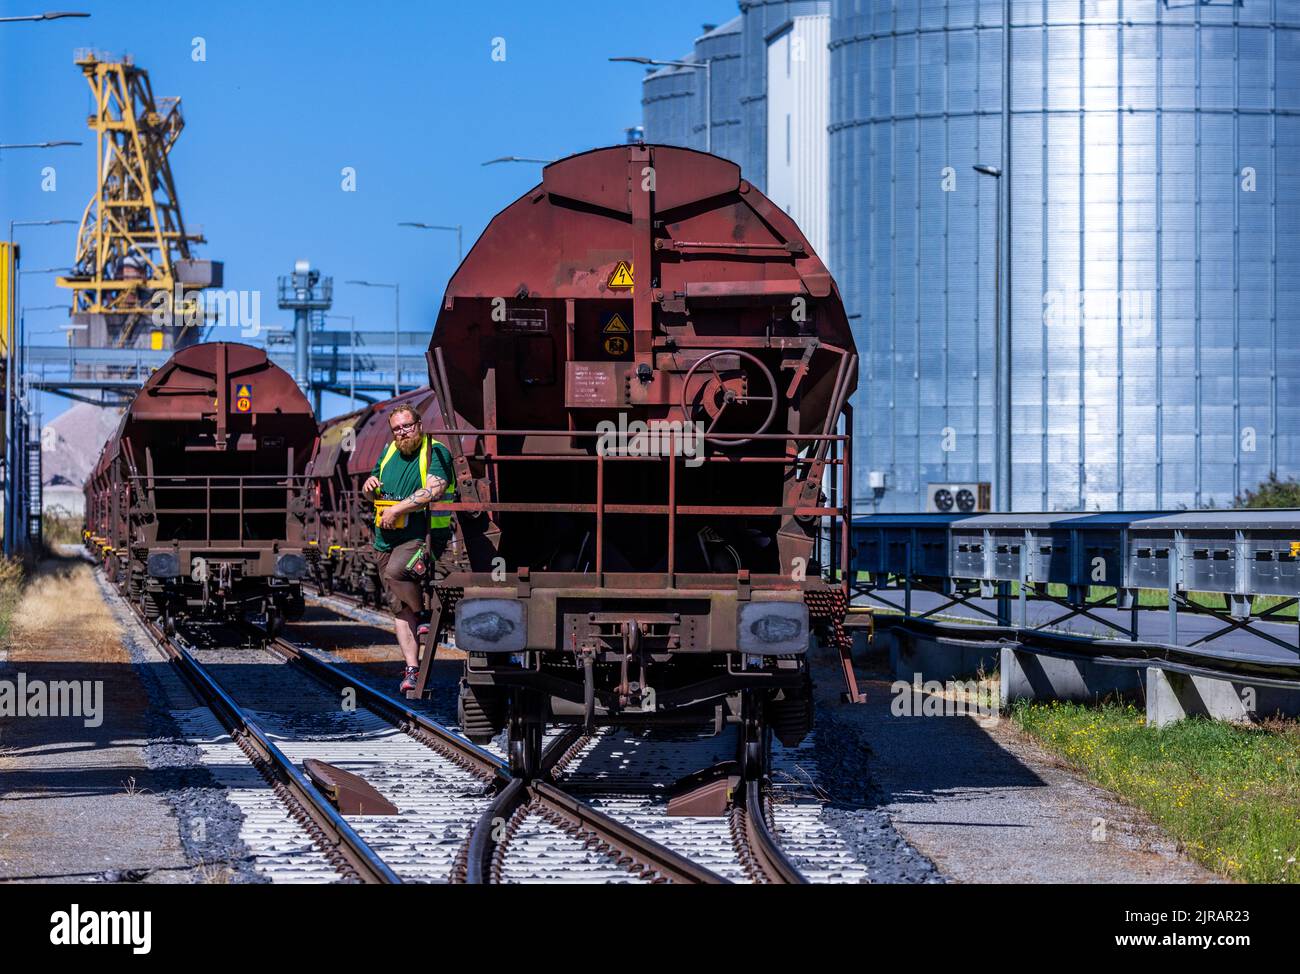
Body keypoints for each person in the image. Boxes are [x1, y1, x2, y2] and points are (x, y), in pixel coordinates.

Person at [363, 404, 456, 694]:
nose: (403, 432)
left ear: (419, 424)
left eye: (407, 425)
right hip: (384, 538)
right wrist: (368, 486)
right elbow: (372, 487)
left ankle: (424, 614)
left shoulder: (435, 451)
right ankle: (412, 670)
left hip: (422, 535)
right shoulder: (389, 450)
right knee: (398, 608)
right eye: (397, 428)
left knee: (396, 573)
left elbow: (435, 489)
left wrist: (398, 510)